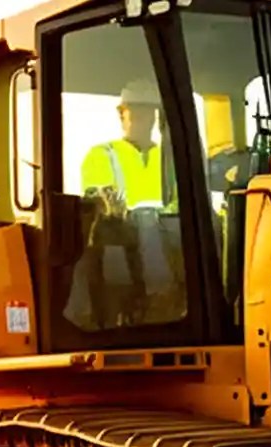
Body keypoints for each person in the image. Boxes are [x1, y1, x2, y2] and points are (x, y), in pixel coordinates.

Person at [67, 79, 184, 330]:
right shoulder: (102, 154)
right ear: (122, 113)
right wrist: (109, 205)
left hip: (167, 235)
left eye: (149, 112)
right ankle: (157, 297)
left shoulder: (170, 156)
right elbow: (98, 198)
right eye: (137, 112)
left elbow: (178, 202)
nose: (144, 119)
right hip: (120, 237)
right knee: (143, 219)